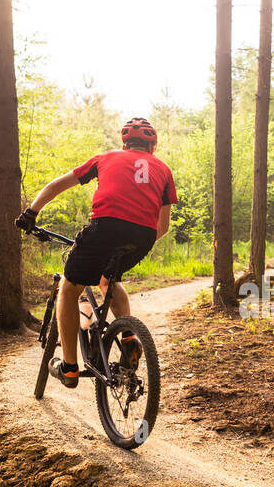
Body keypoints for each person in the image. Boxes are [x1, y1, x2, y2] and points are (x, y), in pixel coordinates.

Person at [16, 117, 175, 387]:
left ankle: (69, 367)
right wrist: (137, 241)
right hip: (144, 235)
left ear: (125, 144)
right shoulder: (163, 169)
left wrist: (30, 213)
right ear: (153, 146)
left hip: (104, 227)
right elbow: (164, 226)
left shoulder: (106, 158)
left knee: (68, 289)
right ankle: (129, 339)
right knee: (107, 279)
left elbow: (57, 184)